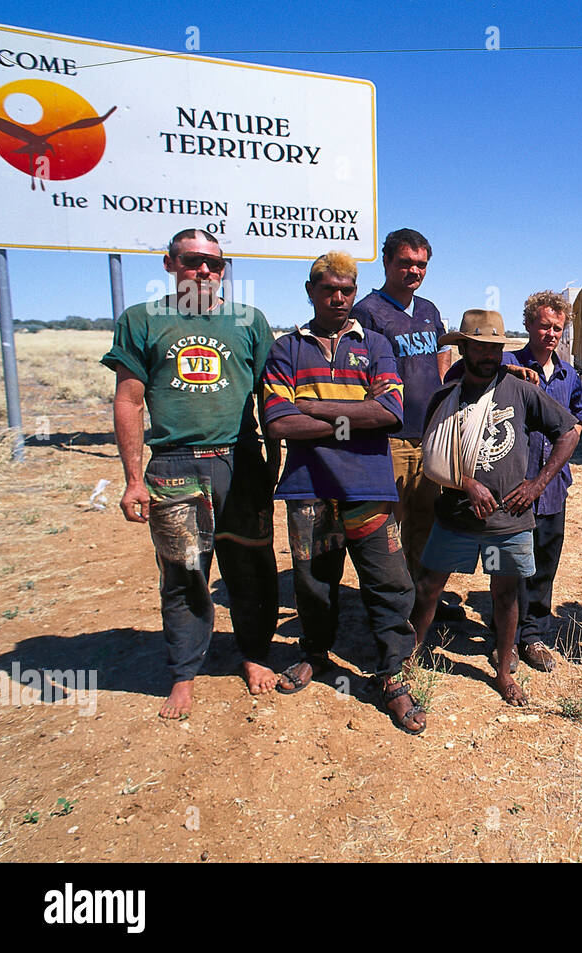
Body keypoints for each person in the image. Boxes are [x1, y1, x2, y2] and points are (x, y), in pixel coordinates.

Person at [103, 228, 279, 719]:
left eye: (215, 263)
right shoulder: (142, 320)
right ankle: (184, 672)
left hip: (239, 461)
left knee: (251, 567)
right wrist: (133, 478)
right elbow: (129, 399)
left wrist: (275, 462)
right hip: (175, 466)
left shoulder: (248, 321)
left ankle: (254, 655)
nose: (204, 270)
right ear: (169, 263)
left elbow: (270, 397)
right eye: (192, 260)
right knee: (184, 572)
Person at [261, 251, 424, 735]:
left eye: (346, 290)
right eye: (328, 289)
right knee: (313, 580)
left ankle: (393, 674)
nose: (338, 298)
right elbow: (277, 421)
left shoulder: (374, 344)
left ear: (355, 292)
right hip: (309, 486)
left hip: (368, 485)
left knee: (389, 580)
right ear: (310, 291)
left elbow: (391, 412)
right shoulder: (286, 349)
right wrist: (355, 413)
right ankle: (315, 654)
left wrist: (313, 406)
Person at [410, 309, 580, 706]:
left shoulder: (520, 390)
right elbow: (430, 455)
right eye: (480, 347)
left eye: (495, 348)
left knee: (506, 595)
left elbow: (569, 431)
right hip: (455, 515)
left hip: (510, 520)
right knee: (429, 587)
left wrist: (538, 485)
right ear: (464, 348)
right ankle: (410, 655)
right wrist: (465, 483)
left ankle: (504, 671)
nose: (489, 355)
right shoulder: (447, 395)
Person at [349, 228, 465, 627]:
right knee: (390, 525)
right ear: (386, 263)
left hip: (430, 434)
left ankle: (421, 599)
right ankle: (389, 607)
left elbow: (441, 364)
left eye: (421, 264)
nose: (413, 270)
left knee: (426, 520)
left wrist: (446, 409)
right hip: (390, 439)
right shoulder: (367, 312)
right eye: (405, 263)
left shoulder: (429, 310)